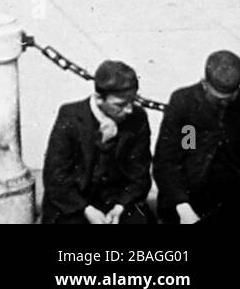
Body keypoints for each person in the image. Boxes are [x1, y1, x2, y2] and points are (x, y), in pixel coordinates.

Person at [40, 60, 153, 225]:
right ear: (99, 99)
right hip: (76, 204)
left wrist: (121, 206)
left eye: (132, 101)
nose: (129, 109)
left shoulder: (138, 118)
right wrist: (86, 210)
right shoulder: (70, 117)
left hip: (118, 203)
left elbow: (140, 175)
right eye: (120, 105)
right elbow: (56, 177)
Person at [153, 50, 240, 225]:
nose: (224, 104)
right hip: (188, 196)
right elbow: (166, 162)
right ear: (204, 84)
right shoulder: (185, 104)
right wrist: (182, 206)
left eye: (229, 98)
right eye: (217, 99)